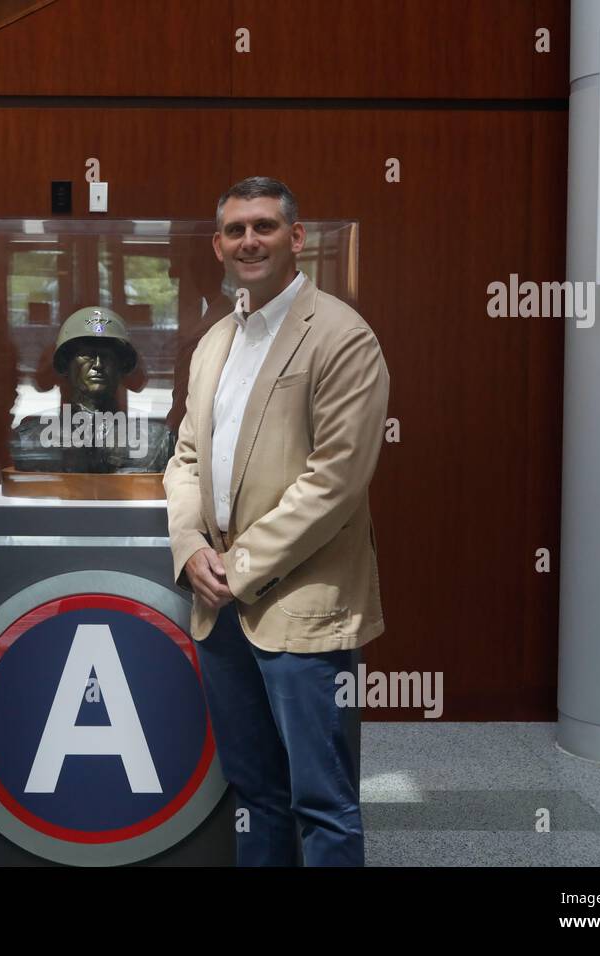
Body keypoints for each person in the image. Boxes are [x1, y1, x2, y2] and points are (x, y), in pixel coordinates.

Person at [163, 177, 390, 866]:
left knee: (322, 802)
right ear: (218, 246)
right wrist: (189, 542)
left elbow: (337, 479)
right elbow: (185, 457)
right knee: (255, 793)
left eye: (264, 227)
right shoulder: (215, 343)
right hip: (219, 602)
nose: (248, 241)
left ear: (296, 238)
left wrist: (242, 565)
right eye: (235, 230)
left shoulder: (342, 337)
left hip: (301, 604)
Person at [11, 307, 174, 473]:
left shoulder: (158, 440)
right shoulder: (29, 439)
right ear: (66, 364)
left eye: (107, 356)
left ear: (121, 366)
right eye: (87, 354)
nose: (98, 365)